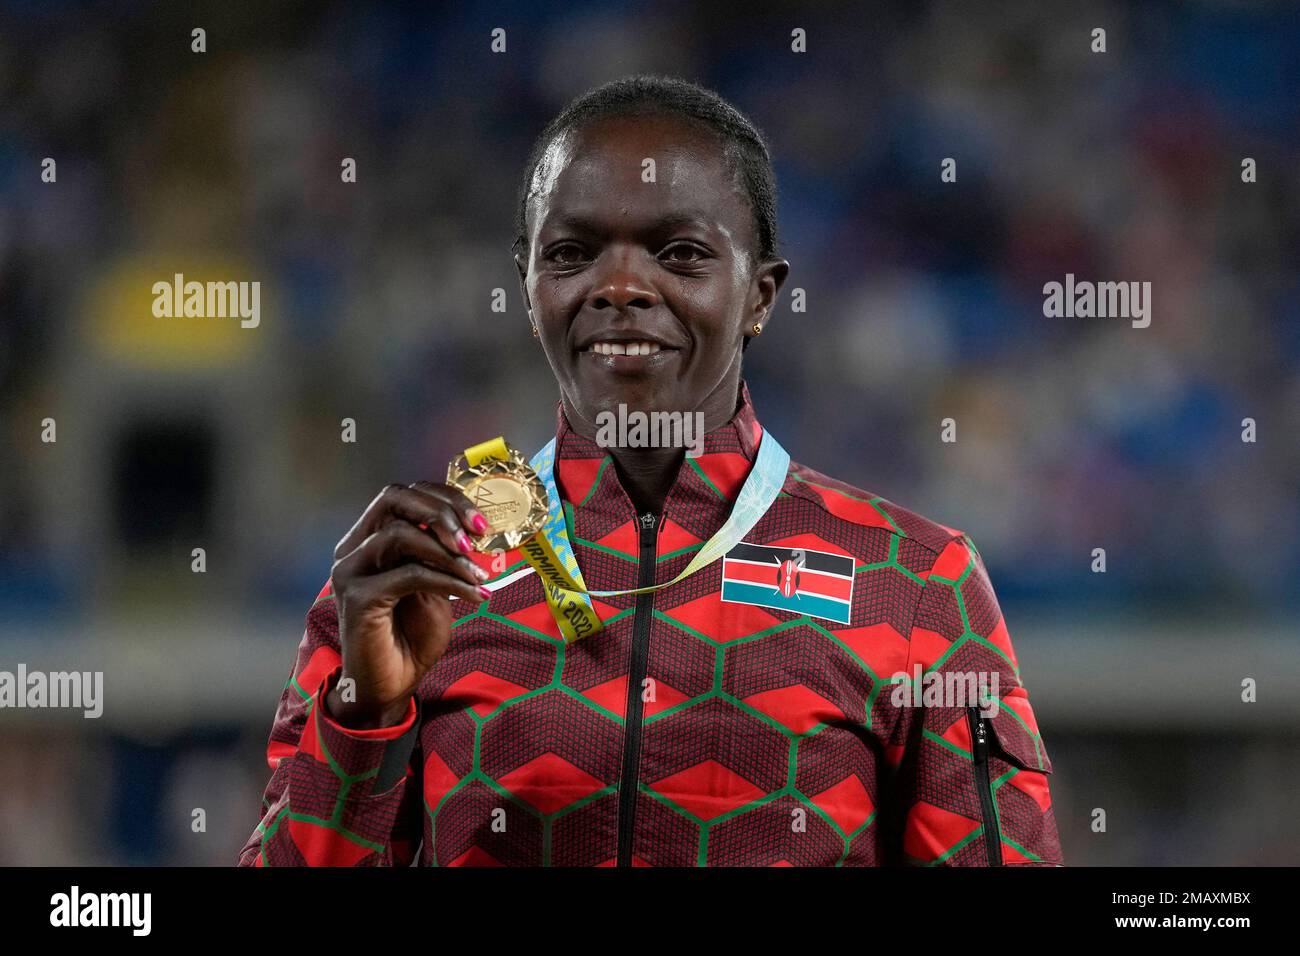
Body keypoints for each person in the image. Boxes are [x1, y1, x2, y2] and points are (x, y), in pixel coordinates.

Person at [239, 74, 1062, 867]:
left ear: (761, 296)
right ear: (527, 291)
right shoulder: (414, 571)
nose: (622, 286)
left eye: (679, 252)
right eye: (571, 253)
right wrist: (365, 717)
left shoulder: (916, 583)